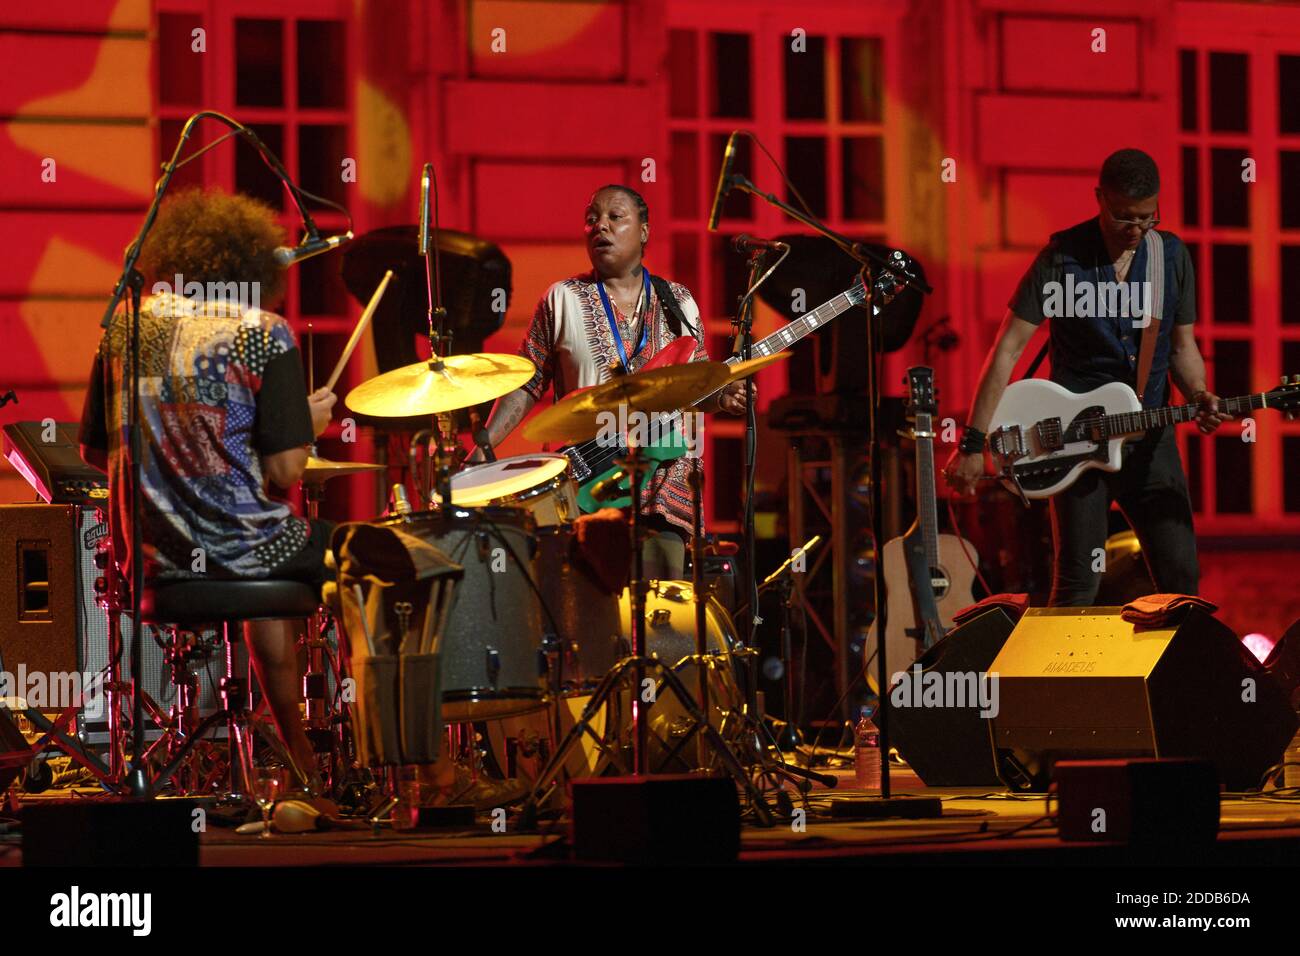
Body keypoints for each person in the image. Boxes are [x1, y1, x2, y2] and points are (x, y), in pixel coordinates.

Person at [78, 187, 336, 788]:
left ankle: (302, 768)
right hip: (242, 548)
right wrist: (309, 422)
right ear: (247, 267)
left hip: (151, 562)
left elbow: (95, 450)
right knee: (389, 561)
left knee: (260, 554)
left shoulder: (125, 330)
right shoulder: (261, 331)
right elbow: (286, 472)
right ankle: (423, 774)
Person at [944, 148, 1228, 606]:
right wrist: (973, 444)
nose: (1136, 230)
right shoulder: (1061, 258)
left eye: (1147, 217)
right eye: (1124, 218)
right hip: (1075, 442)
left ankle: (1176, 679)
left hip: (1150, 440)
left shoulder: (1169, 256)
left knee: (1181, 583)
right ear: (1099, 198)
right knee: (1078, 583)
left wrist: (1198, 391)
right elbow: (1007, 350)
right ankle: (1061, 679)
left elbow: (1182, 346)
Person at [475, 184, 749, 578]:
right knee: (586, 618)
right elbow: (527, 382)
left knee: (659, 621)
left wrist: (724, 398)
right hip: (586, 489)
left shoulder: (679, 301)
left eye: (614, 217)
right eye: (591, 219)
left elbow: (699, 387)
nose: (599, 226)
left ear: (644, 231)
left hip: (662, 490)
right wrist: (485, 446)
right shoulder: (562, 298)